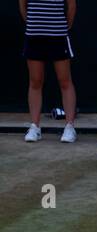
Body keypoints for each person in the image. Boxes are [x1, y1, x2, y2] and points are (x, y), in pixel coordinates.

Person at [20, 0, 78, 142]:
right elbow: (22, 5)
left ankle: (70, 127)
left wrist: (63, 27)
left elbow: (72, 6)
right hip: (34, 36)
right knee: (35, 82)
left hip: (58, 35)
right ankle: (35, 127)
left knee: (65, 81)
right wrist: (33, 24)